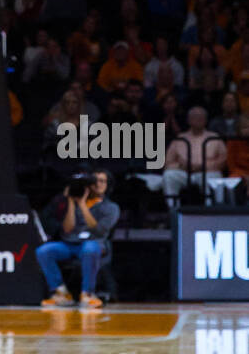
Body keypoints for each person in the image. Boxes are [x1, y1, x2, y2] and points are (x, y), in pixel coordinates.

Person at [36, 171, 120, 309]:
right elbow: (67, 229)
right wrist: (71, 202)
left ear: (108, 185)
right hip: (70, 244)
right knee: (44, 251)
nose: (98, 184)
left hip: (94, 243)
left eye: (102, 181)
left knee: (89, 249)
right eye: (95, 181)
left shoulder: (111, 207)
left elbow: (98, 229)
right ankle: (60, 292)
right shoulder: (74, 202)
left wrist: (82, 205)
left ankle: (87, 293)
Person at [137, 105, 227, 205]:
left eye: (201, 117)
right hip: (183, 172)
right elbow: (168, 162)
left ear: (206, 120)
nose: (198, 119)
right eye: (194, 117)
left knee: (214, 178)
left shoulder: (214, 137)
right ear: (188, 120)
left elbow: (222, 160)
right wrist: (182, 166)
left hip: (207, 171)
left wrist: (203, 166)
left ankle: (211, 211)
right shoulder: (180, 138)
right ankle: (173, 209)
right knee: (169, 175)